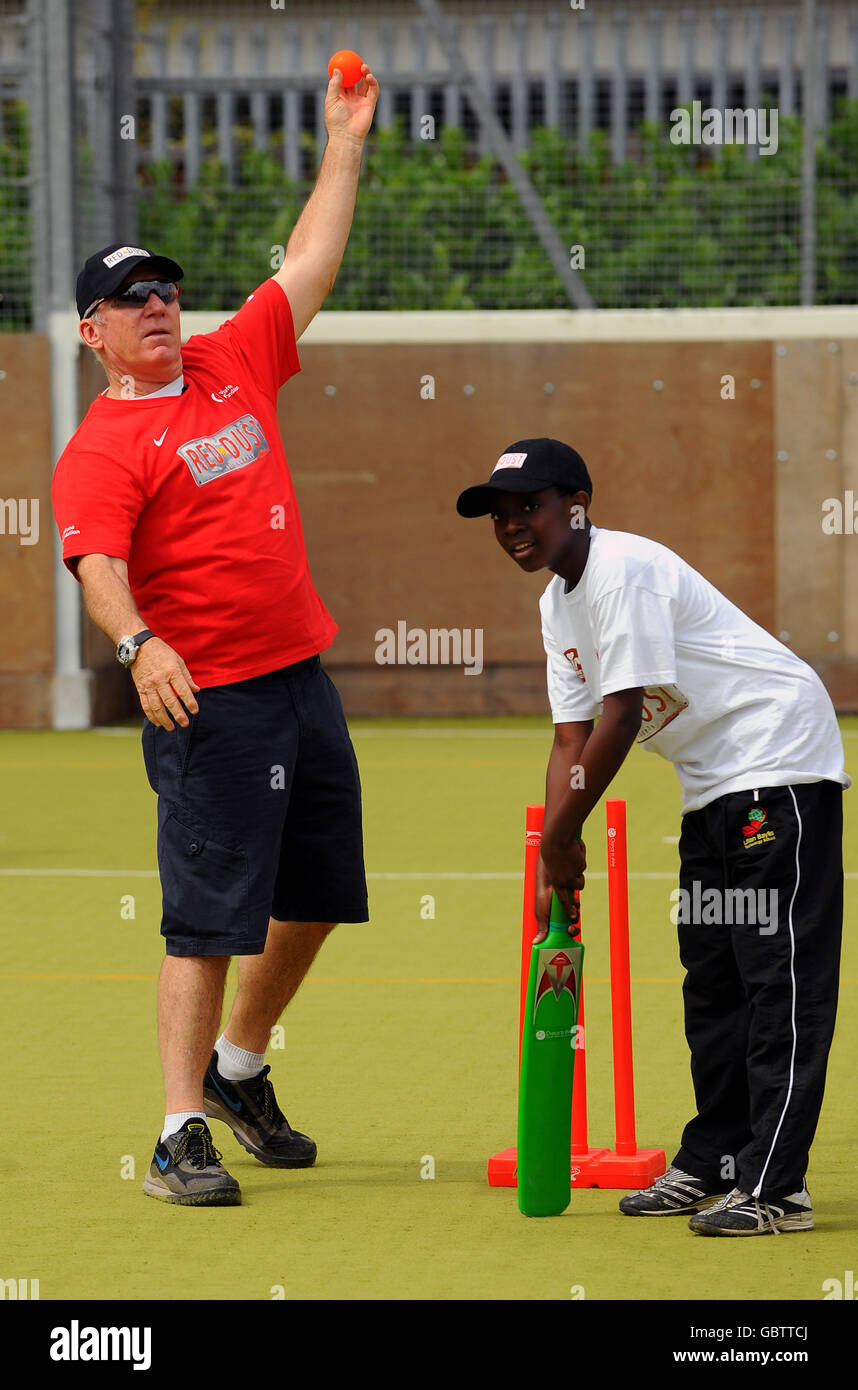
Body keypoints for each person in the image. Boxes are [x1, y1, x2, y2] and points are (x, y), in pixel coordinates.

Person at [51, 65, 379, 1206]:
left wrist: (344, 140)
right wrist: (139, 645)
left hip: (299, 679)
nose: (159, 305)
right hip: (209, 701)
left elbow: (310, 262)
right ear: (94, 332)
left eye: (166, 289)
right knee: (203, 923)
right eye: (132, 297)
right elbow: (97, 567)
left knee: (319, 894)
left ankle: (237, 1072)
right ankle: (177, 1132)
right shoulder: (100, 448)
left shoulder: (229, 362)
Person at [457, 437, 849, 1237]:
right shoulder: (556, 604)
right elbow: (570, 739)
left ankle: (776, 1187)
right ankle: (716, 1160)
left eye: (529, 508)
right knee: (711, 978)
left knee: (776, 978)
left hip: (779, 760)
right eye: (499, 516)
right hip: (710, 784)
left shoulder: (624, 569)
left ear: (578, 507)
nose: (512, 526)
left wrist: (563, 837)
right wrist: (555, 854)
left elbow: (622, 713)